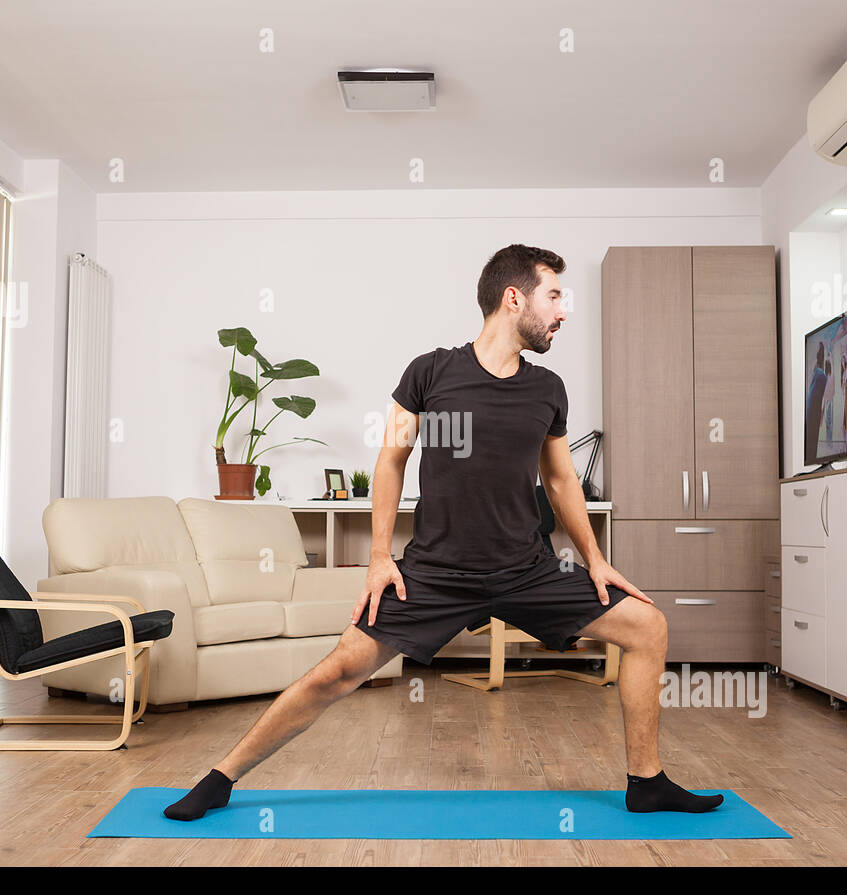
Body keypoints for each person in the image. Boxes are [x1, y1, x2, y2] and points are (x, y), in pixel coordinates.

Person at [164, 244, 724, 821]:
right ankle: (220, 778)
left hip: (527, 571)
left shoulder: (547, 389)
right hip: (435, 573)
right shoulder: (430, 372)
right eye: (554, 296)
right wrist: (381, 556)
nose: (563, 312)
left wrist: (595, 558)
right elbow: (390, 461)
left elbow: (559, 479)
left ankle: (647, 782)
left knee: (647, 626)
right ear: (514, 298)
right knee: (338, 671)